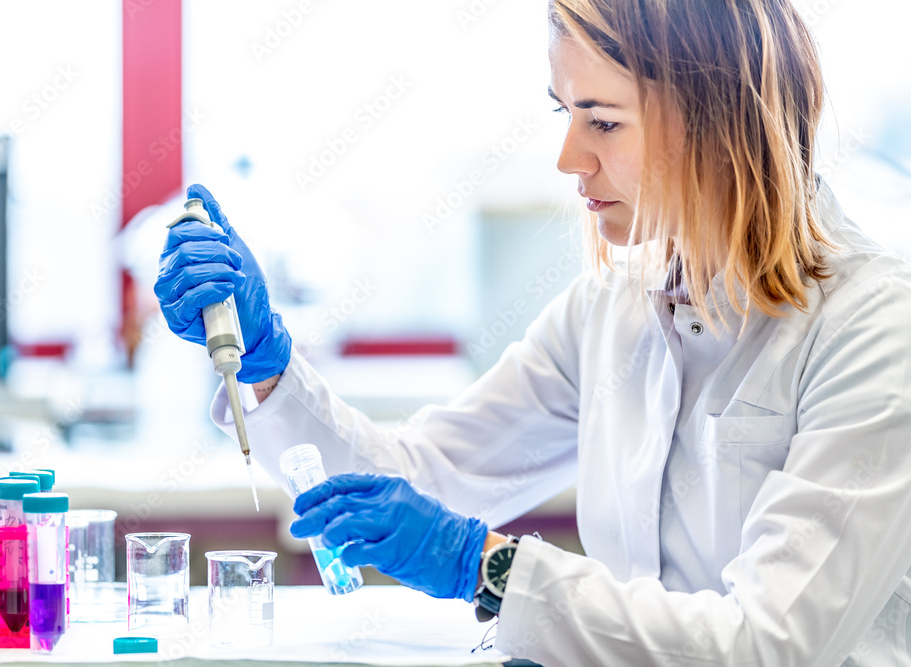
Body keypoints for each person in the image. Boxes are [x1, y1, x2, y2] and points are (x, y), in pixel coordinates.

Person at [154, 0, 911, 664]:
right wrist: (266, 365)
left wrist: (489, 566)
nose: (568, 159)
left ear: (716, 120)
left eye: (604, 122)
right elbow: (420, 480)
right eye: (565, 113)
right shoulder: (609, 312)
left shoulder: (874, 328)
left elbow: (766, 644)